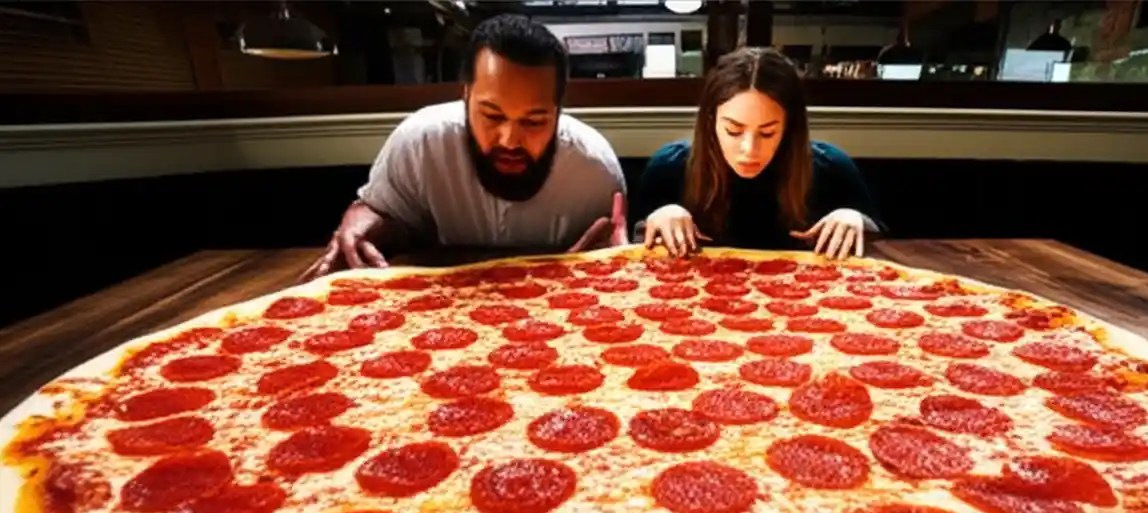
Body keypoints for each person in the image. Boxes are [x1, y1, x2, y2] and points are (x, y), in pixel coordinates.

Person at [302, 14, 627, 280]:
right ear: (465, 96)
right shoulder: (418, 144)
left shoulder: (596, 173)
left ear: (559, 111)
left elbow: (615, 266)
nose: (510, 140)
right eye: (492, 115)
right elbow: (385, 215)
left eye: (534, 121)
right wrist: (363, 223)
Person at [632, 46, 885, 261]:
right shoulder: (669, 168)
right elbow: (635, 250)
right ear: (710, 122)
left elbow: (878, 241)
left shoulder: (831, 168)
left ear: (789, 126)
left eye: (767, 133)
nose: (749, 150)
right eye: (733, 131)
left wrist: (856, 219)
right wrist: (657, 218)